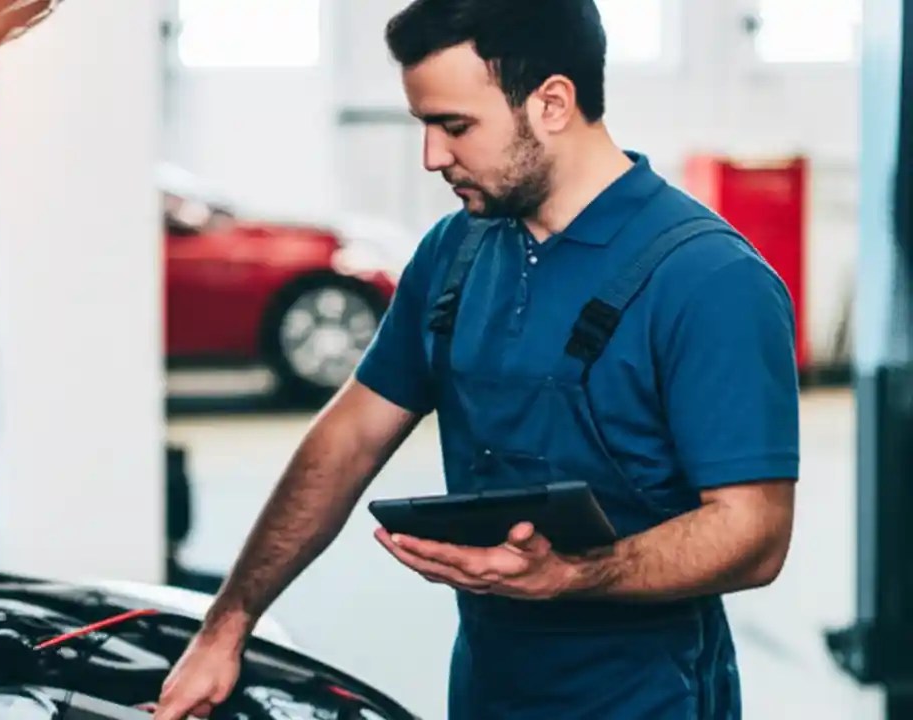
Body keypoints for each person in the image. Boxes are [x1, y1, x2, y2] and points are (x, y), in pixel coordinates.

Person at [153, 0, 799, 717]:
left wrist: (575, 574)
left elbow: (755, 532)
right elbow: (347, 440)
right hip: (490, 689)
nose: (432, 156)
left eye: (454, 126)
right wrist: (228, 622)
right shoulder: (454, 252)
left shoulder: (709, 280)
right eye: (425, 125)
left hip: (648, 698)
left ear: (552, 102)